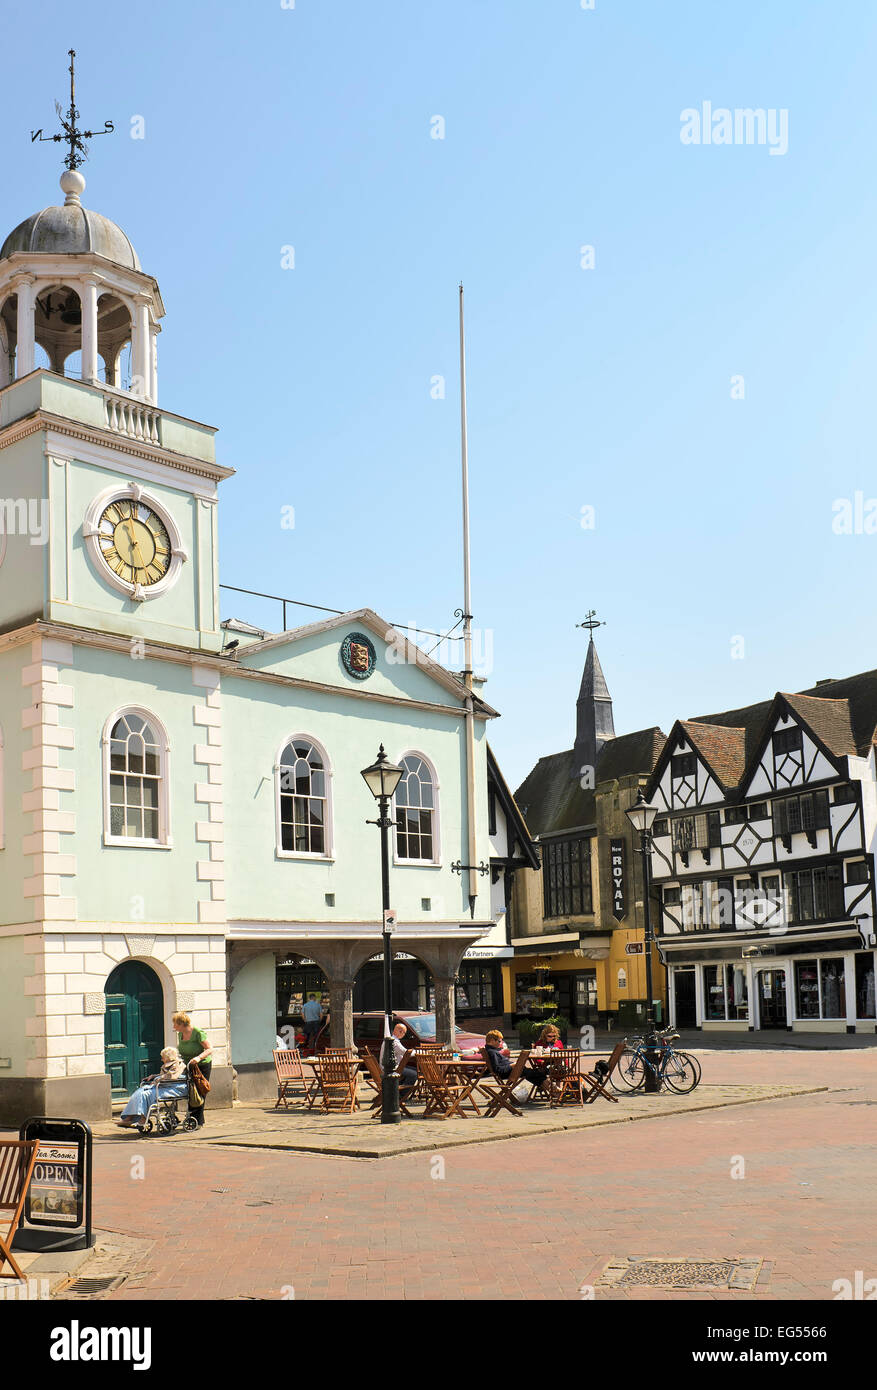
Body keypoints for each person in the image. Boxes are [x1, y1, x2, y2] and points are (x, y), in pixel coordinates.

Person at [117, 1047, 187, 1129]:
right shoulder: (166, 1065)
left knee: (146, 1094)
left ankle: (142, 1119)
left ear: (168, 1057)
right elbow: (164, 1076)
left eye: (162, 1057)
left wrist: (157, 1080)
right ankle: (129, 1118)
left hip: (175, 1088)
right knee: (139, 1092)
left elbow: (172, 1076)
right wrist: (154, 1076)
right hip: (164, 1086)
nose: (161, 1059)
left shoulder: (178, 1065)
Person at [172, 1012, 213, 1128]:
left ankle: (197, 1121)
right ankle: (193, 1118)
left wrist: (198, 1058)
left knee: (199, 1091)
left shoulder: (197, 1033)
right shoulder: (180, 1034)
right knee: (190, 1092)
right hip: (188, 1065)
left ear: (181, 1024)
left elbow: (209, 1049)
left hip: (201, 1065)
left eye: (175, 1024)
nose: (174, 1027)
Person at [390, 1021, 417, 1093]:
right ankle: (402, 1095)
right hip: (393, 1069)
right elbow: (406, 1053)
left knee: (414, 1070)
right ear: (400, 1031)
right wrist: (418, 1052)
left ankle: (397, 1091)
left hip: (396, 1067)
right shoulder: (394, 1041)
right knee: (414, 1074)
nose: (404, 1035)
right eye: (404, 1033)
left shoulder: (392, 1040)